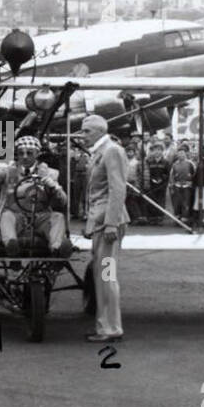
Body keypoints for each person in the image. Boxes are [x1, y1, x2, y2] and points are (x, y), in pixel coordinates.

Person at [0, 135, 71, 258]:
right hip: (16, 216)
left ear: (37, 154)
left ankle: (57, 248)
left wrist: (54, 187)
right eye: (21, 153)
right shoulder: (8, 170)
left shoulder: (50, 173)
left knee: (58, 216)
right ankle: (11, 245)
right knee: (6, 215)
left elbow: (63, 202)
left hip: (41, 217)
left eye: (29, 153)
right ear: (17, 154)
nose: (24, 156)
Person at [82, 115, 128, 343]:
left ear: (99, 131)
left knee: (107, 275)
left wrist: (111, 222)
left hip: (109, 224)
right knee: (103, 275)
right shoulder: (102, 151)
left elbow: (117, 189)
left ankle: (110, 328)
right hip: (101, 223)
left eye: (86, 131)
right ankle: (106, 325)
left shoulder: (112, 151)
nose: (83, 135)